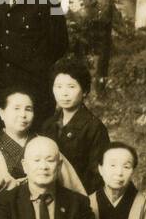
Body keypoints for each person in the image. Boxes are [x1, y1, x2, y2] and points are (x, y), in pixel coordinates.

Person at [0, 87, 84, 195]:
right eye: (16, 108)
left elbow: (76, 189)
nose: (23, 115)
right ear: (1, 113)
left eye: (28, 109)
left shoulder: (46, 145)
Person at [40, 56, 110, 194]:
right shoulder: (48, 125)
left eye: (71, 87)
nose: (64, 93)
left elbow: (98, 176)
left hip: (81, 197)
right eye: (58, 87)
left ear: (84, 91)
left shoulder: (94, 127)